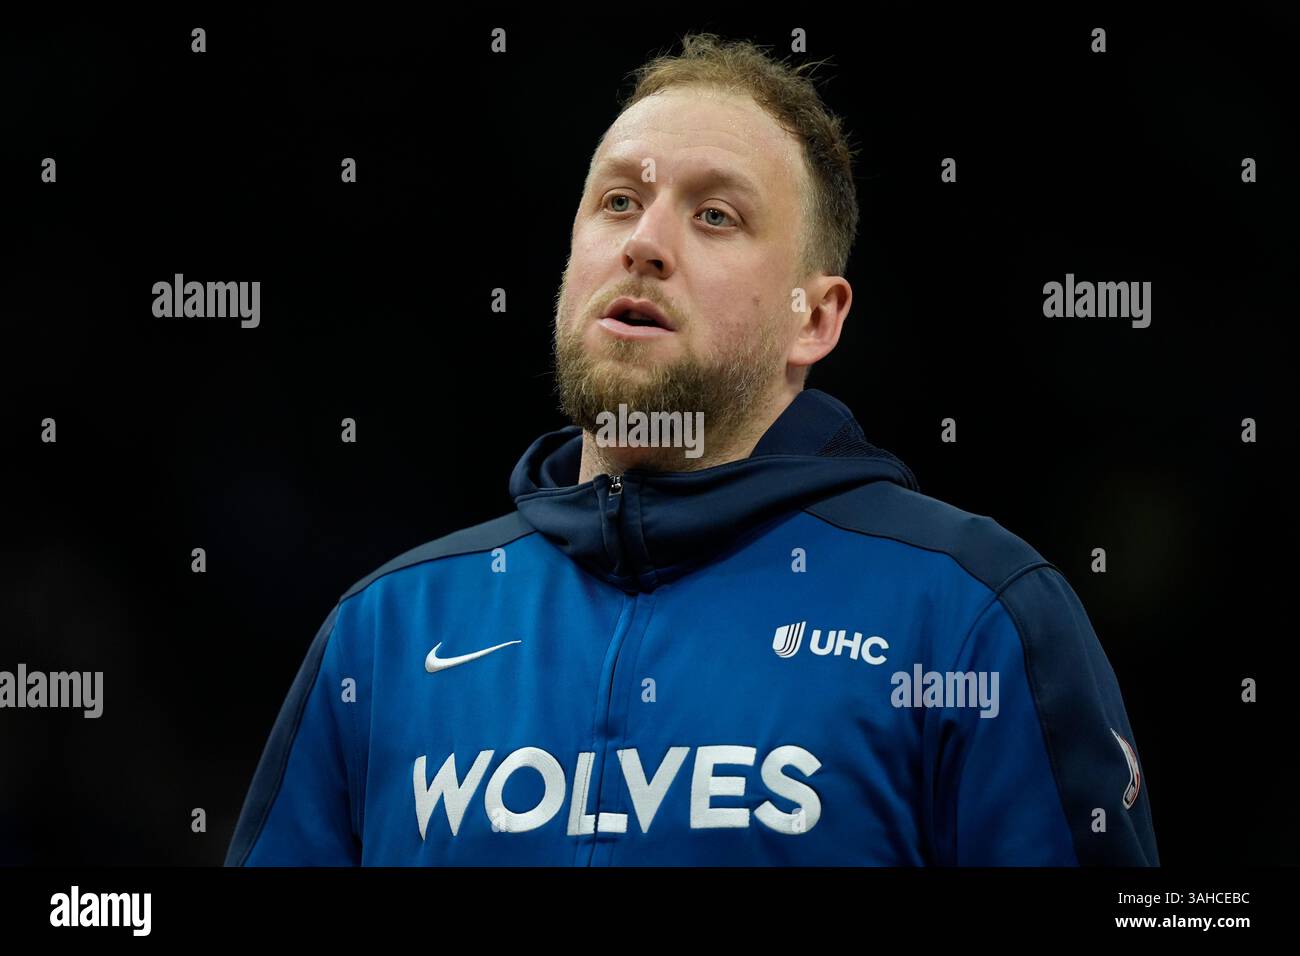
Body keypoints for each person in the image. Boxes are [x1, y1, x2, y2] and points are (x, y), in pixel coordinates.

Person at [225, 33, 1157, 866]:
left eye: (716, 216)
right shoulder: (388, 631)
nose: (645, 243)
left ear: (816, 318)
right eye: (619, 200)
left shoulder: (970, 614)